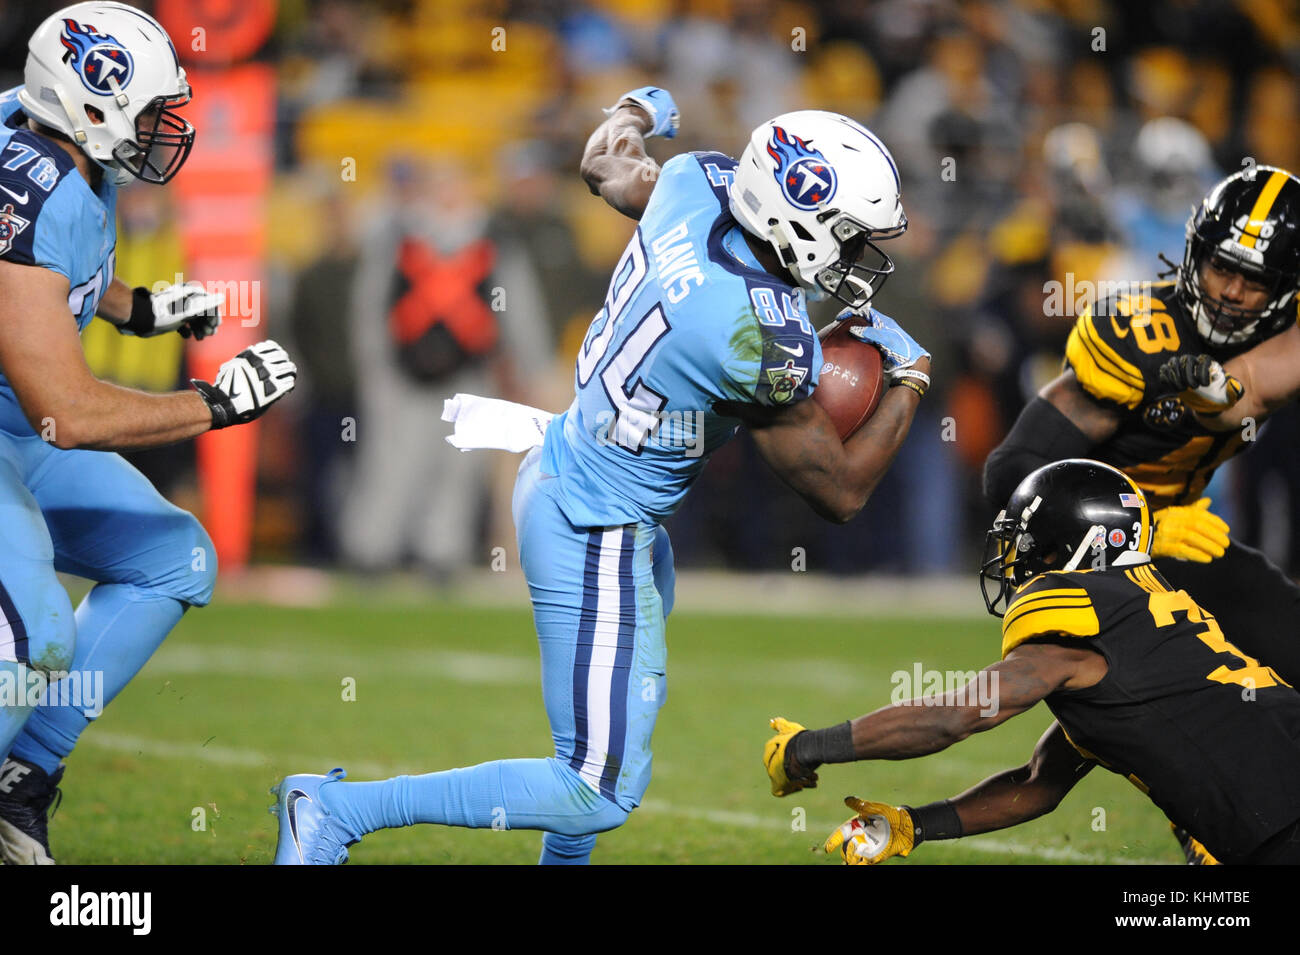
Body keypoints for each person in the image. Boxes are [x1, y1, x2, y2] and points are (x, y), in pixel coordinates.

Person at [272, 89, 931, 864]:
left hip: (581, 474)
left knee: (601, 750)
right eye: (850, 235)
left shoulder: (698, 182)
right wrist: (913, 378)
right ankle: (335, 808)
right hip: (596, 525)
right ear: (801, 216)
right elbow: (841, 492)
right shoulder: (759, 336)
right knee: (597, 786)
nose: (858, 256)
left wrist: (632, 111)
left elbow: (603, 161)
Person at [0, 2, 297, 864]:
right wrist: (216, 403)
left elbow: (51, 279)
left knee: (176, 557)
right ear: (88, 103)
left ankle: (19, 783)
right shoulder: (33, 185)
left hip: (21, 423)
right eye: (151, 111)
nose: (168, 130)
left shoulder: (43, 134)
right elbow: (70, 411)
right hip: (25, 422)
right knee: (34, 631)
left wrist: (134, 308)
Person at [765, 459, 1300, 866]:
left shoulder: (1077, 623)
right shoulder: (1137, 625)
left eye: (1031, 548)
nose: (1019, 563)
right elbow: (1037, 783)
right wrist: (911, 824)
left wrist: (810, 747)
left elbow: (954, 715)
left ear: (1074, 550)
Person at [983, 166, 1300, 683]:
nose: (1233, 292)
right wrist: (1143, 529)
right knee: (1170, 707)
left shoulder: (1286, 337)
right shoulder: (1139, 332)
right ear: (1196, 253)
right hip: (1089, 552)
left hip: (1185, 539)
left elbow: (1246, 392)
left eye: (1257, 281)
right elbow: (1011, 471)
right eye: (1223, 267)